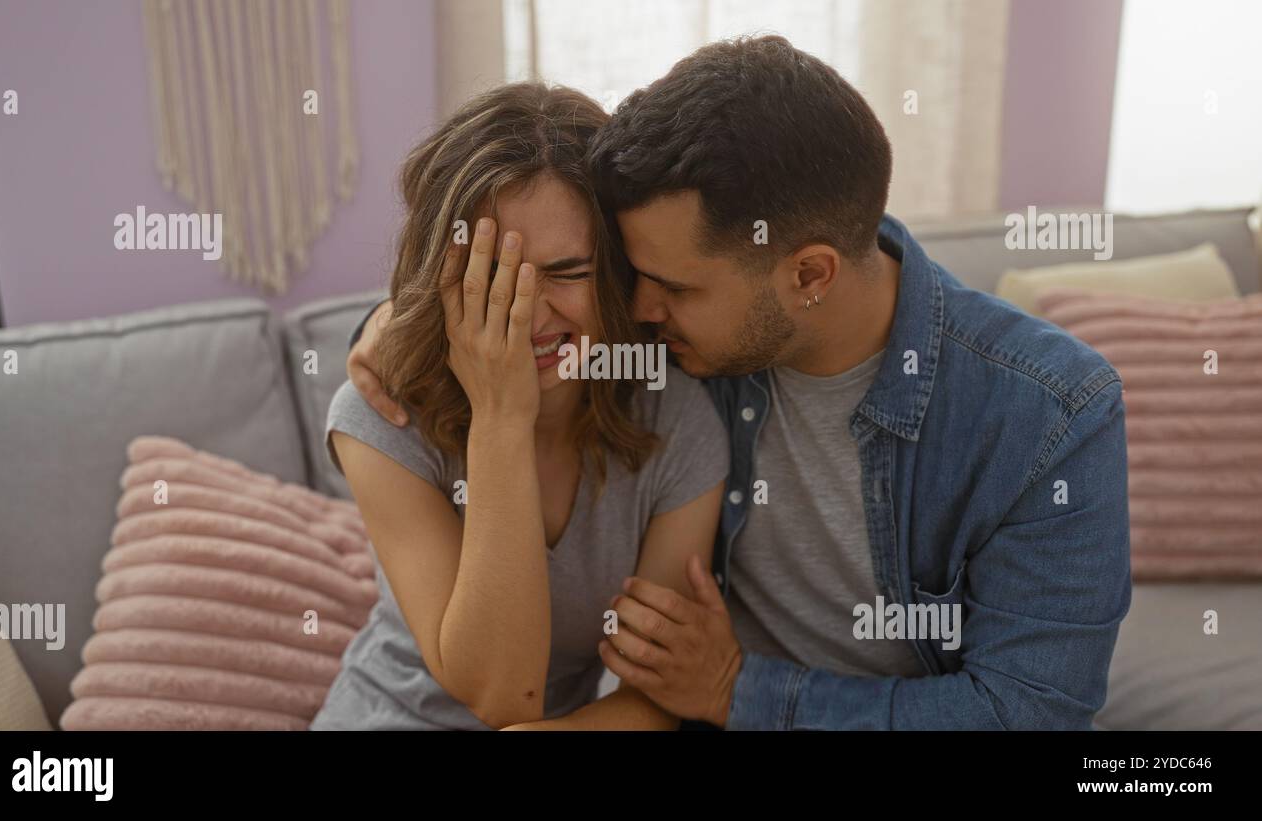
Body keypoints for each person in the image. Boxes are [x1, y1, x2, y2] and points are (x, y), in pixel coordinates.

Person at [348, 36, 1132, 730]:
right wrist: (403, 323)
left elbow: (1031, 715)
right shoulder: (682, 359)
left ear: (809, 275)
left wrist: (736, 689)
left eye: (672, 288)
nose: (641, 312)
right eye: (630, 276)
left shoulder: (1051, 412)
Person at [310, 83, 728, 731]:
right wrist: (502, 417)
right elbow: (502, 692)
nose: (526, 315)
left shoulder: (676, 420)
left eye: (566, 272)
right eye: (492, 277)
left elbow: (657, 691)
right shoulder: (380, 415)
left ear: (616, 270)